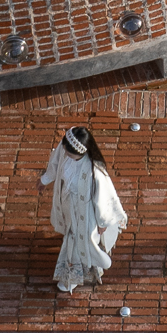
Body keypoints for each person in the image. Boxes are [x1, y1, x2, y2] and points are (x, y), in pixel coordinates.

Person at [39, 124, 129, 293]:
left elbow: (103, 198)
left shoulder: (95, 171)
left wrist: (103, 221)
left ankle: (72, 277)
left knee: (78, 241)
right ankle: (91, 262)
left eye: (69, 152)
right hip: (68, 205)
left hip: (85, 213)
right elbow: (55, 163)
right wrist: (45, 180)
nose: (65, 153)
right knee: (71, 236)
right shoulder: (66, 148)